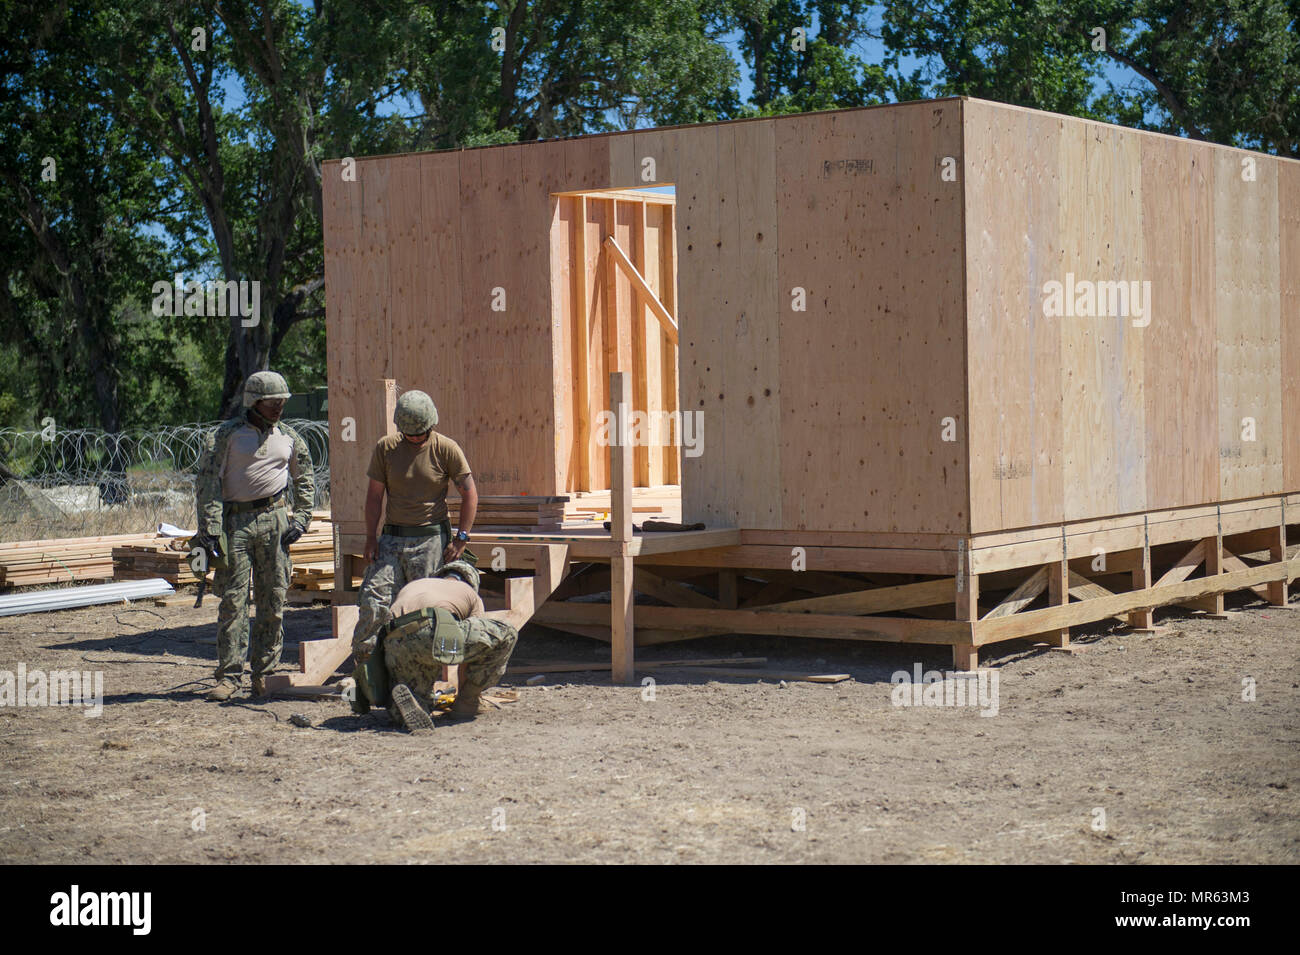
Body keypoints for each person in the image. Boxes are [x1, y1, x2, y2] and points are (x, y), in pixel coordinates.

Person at [195, 371, 315, 701]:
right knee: (233, 602)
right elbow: (207, 485)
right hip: (236, 523)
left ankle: (266, 674)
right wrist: (210, 528)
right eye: (272, 402)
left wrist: (302, 518)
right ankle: (230, 677)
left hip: (275, 520)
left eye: (282, 402)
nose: (278, 407)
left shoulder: (289, 437)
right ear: (254, 402)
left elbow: (305, 479)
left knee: (273, 600)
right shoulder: (226, 436)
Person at [352, 390, 478, 664]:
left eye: (419, 433)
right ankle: (367, 669)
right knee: (374, 601)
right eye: (409, 434)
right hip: (392, 538)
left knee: (426, 608)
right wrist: (370, 538)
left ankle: (422, 667)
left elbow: (470, 493)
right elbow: (374, 497)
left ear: (430, 425)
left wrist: (461, 538)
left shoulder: (446, 448)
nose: (415, 438)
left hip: (431, 539)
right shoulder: (386, 448)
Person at [377, 560, 521, 732]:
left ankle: (410, 708)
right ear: (470, 581)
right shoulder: (469, 593)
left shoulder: (416, 584)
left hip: (394, 641)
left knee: (419, 696)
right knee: (507, 634)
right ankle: (468, 702)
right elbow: (473, 649)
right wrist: (464, 700)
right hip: (430, 632)